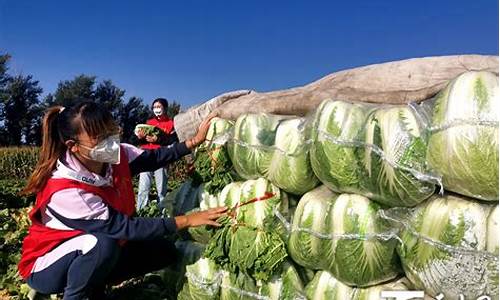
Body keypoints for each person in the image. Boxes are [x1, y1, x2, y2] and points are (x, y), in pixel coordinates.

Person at [17, 101, 225, 300]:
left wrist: (193, 142)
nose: (111, 140)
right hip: (47, 266)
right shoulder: (64, 189)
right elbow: (123, 227)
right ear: (73, 146)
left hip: (91, 249)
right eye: (99, 137)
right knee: (102, 245)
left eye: (111, 130)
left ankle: (96, 287)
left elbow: (152, 158)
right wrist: (187, 220)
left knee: (164, 252)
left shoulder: (114, 156)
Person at [135, 98, 177, 214]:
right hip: (147, 156)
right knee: (143, 187)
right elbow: (143, 142)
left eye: (159, 107)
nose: (156, 109)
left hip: (161, 157)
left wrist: (158, 139)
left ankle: (161, 213)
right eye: (154, 107)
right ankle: (141, 212)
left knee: (161, 189)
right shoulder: (149, 123)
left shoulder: (171, 124)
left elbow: (172, 141)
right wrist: (141, 138)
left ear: (165, 108)